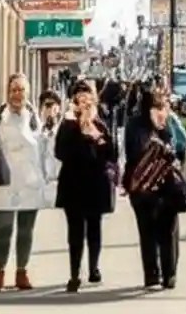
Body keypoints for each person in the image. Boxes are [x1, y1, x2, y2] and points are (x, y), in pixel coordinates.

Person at [0, 73, 48, 292]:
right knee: (3, 230)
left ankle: (22, 272)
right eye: (14, 90)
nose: (17, 94)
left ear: (27, 92)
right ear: (7, 92)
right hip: (4, 182)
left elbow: (42, 147)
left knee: (26, 230)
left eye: (21, 89)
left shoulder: (33, 117)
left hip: (29, 182)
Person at [54, 87, 118, 292]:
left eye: (89, 104)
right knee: (75, 231)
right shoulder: (68, 126)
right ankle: (74, 274)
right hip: (73, 184)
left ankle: (93, 267)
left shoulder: (100, 125)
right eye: (81, 103)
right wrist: (76, 128)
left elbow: (112, 154)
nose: (85, 108)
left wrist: (96, 135)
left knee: (94, 228)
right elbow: (60, 152)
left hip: (95, 184)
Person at [123, 89, 181, 289]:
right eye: (160, 107)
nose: (163, 111)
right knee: (158, 231)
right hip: (147, 187)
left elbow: (178, 146)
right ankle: (160, 273)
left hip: (154, 186)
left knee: (157, 231)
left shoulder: (159, 124)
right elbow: (136, 152)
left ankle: (161, 273)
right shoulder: (138, 127)